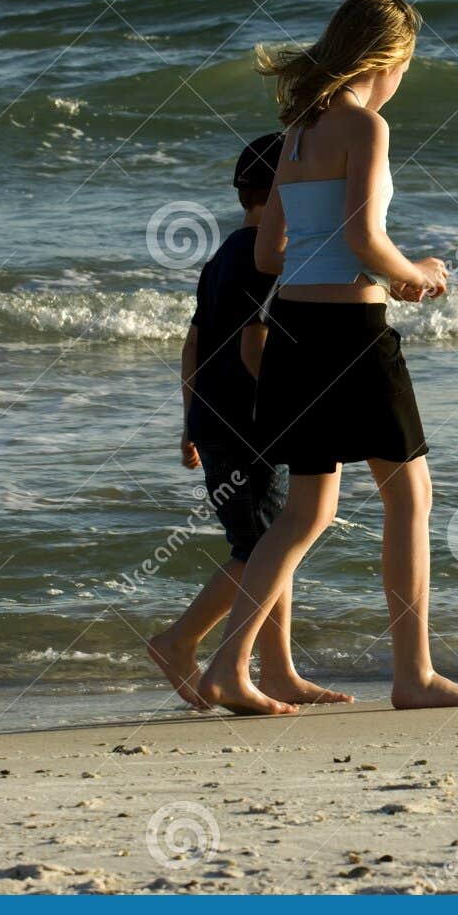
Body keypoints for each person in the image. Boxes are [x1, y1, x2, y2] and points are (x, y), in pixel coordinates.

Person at [197, 0, 458, 715]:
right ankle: (413, 675)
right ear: (388, 58)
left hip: (296, 335)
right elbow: (365, 240)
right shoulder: (366, 125)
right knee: (410, 496)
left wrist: (358, 264)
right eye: (405, 67)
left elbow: (272, 252)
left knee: (305, 512)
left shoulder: (297, 131)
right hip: (353, 342)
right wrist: (414, 274)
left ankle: (228, 667)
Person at [147, 133, 352, 713]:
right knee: (259, 547)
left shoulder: (225, 254)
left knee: (268, 539)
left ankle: (279, 670)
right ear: (290, 189)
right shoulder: (270, 255)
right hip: (250, 423)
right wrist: (290, 413)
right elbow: (254, 344)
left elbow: (194, 342)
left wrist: (190, 417)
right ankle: (179, 641)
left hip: (216, 419)